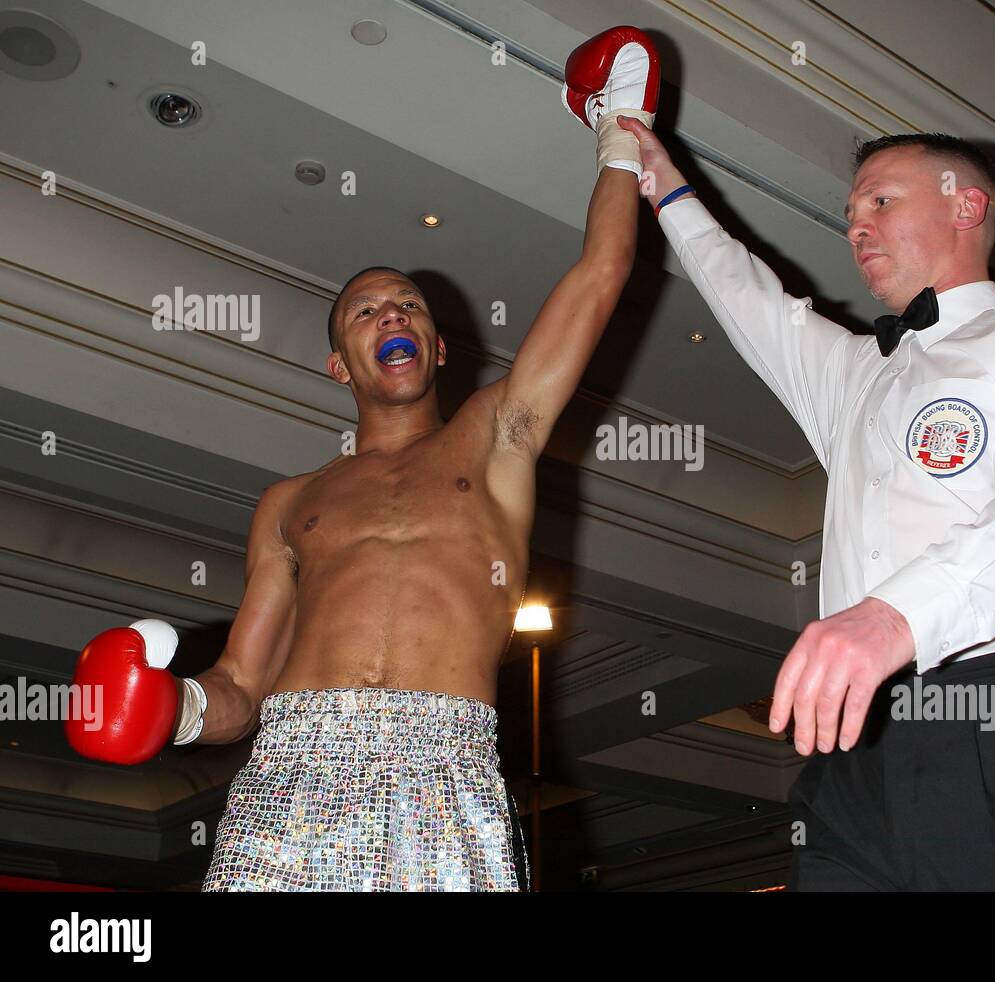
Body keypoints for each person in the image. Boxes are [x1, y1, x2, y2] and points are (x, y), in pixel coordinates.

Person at [64, 26, 660, 892]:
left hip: (446, 774)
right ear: (339, 363)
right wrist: (175, 710)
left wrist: (620, 131)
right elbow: (241, 683)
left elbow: (601, 273)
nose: (393, 317)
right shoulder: (288, 503)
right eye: (367, 312)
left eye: (410, 306)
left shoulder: (499, 433)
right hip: (292, 777)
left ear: (439, 347)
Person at [621, 118, 995, 890]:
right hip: (853, 756)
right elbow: (747, 298)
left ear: (966, 207)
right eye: (850, 213)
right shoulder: (853, 374)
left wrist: (898, 615)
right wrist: (663, 182)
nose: (855, 226)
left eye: (879, 200)